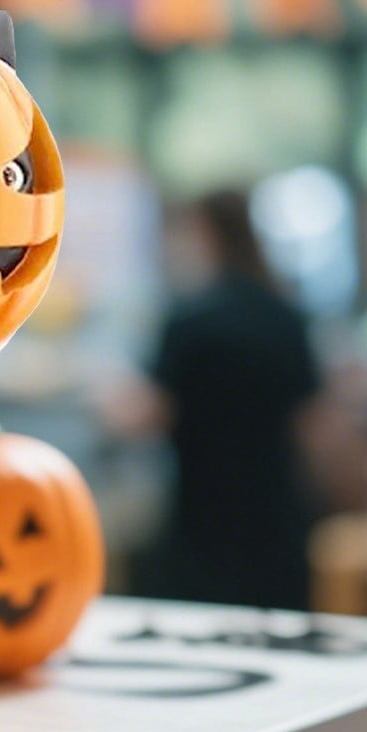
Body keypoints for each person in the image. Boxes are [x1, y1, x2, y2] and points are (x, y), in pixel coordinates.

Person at [117, 190, 325, 611]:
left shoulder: (191, 319)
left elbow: (147, 415)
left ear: (206, 233)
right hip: (276, 516)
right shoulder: (285, 316)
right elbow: (315, 426)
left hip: (202, 519)